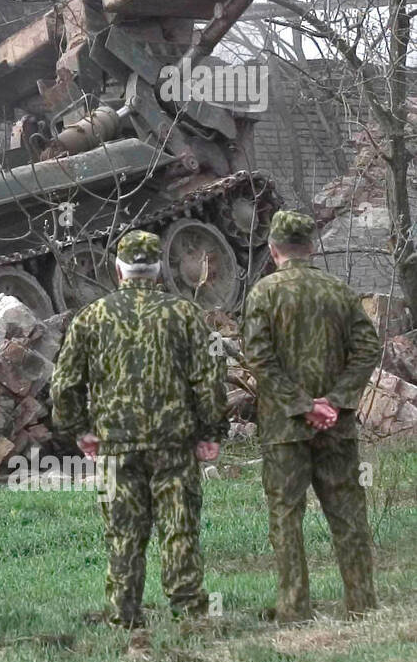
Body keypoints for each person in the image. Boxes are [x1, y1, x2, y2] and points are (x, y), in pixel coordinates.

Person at [51, 229, 227, 627]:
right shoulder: (184, 315)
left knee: (123, 533)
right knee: (179, 526)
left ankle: (124, 614)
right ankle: (190, 611)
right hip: (174, 444)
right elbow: (208, 378)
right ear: (160, 270)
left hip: (116, 446)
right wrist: (210, 431)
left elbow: (64, 384)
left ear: (118, 270)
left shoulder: (91, 318)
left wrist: (80, 430)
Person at [241, 209, 381, 624]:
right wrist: (335, 401)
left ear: (273, 249)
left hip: (285, 429)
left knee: (286, 515)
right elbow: (368, 349)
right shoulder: (339, 290)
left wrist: (303, 405)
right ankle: (361, 601)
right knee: (349, 512)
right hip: (337, 425)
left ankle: (294, 607)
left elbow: (258, 357)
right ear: (312, 246)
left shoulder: (263, 294)